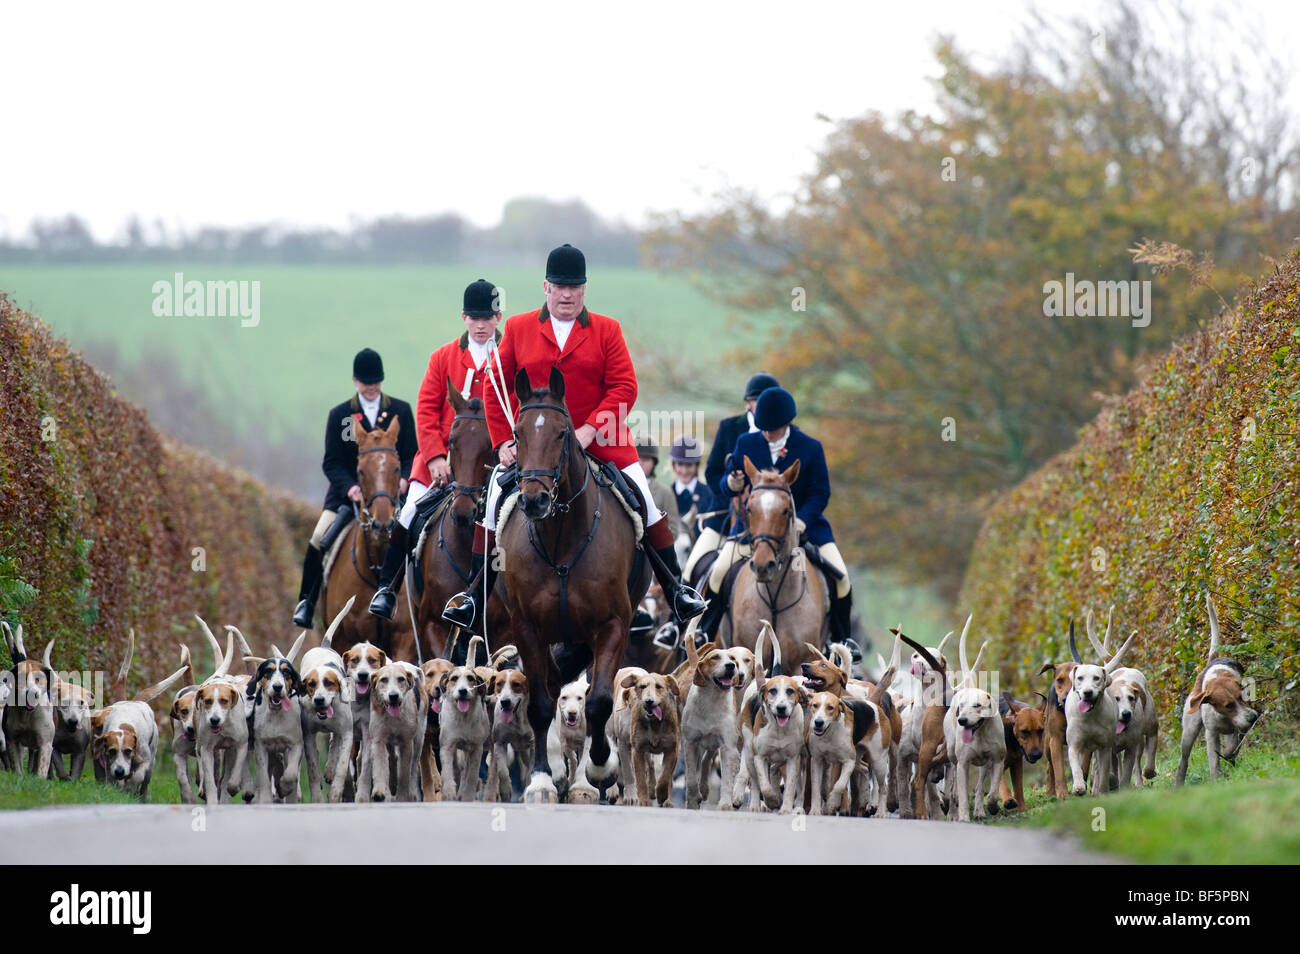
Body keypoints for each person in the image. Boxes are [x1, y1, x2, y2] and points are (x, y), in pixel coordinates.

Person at [441, 243, 707, 633]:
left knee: (645, 500)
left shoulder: (607, 329)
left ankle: (676, 588)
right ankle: (474, 593)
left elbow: (624, 387)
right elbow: (494, 386)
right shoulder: (517, 328)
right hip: (536, 446)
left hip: (601, 439)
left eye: (574, 288)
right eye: (559, 287)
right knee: (495, 499)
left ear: (584, 289)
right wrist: (502, 443)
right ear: (545, 288)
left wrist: (590, 428)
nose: (567, 295)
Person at [368, 280, 503, 620]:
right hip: (439, 460)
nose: (481, 325)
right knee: (410, 512)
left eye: (487, 318)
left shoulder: (509, 356)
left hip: (491, 461)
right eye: (474, 318)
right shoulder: (442, 357)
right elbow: (426, 411)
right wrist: (435, 457)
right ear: (464, 318)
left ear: (499, 318)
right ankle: (387, 588)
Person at [695, 386, 854, 647]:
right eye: (764, 428)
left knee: (842, 579)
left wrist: (802, 519)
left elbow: (820, 492)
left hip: (806, 526)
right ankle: (705, 629)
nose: (767, 434)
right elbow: (727, 481)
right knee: (719, 571)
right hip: (754, 529)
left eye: (773, 429)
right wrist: (732, 484)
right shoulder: (747, 442)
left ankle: (843, 640)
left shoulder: (810, 448)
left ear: (787, 423)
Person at [291, 349, 417, 628]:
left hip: (392, 496)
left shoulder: (401, 410)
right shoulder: (340, 415)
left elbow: (411, 454)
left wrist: (405, 479)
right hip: (348, 497)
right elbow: (331, 461)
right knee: (318, 538)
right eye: (365, 384)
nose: (371, 389)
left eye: (375, 384)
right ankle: (306, 602)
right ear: (355, 382)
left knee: (421, 540)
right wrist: (351, 488)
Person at [683, 372, 780, 580]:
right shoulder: (729, 428)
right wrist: (729, 488)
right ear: (748, 404)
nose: (764, 406)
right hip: (727, 517)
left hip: (773, 521)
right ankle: (693, 611)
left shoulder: (784, 433)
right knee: (691, 569)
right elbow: (712, 472)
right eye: (758, 400)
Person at [669, 434, 717, 558]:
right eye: (680, 464)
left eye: (689, 465)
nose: (684, 471)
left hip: (702, 554)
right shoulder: (667, 493)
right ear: (674, 465)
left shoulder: (709, 494)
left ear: (696, 465)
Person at [635, 437, 682, 547]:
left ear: (654, 463)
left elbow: (673, 531)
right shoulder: (620, 488)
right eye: (637, 459)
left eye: (646, 459)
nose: (641, 463)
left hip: (652, 551)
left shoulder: (665, 492)